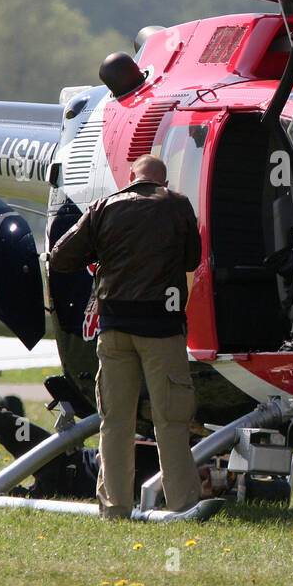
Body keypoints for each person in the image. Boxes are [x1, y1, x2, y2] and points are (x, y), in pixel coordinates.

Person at [47, 154, 202, 519]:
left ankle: (115, 507)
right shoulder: (177, 206)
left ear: (131, 177)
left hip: (114, 329)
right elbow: (192, 259)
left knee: (115, 422)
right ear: (162, 181)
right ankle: (183, 505)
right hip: (161, 331)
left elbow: (60, 257)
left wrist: (103, 256)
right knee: (171, 421)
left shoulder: (104, 207)